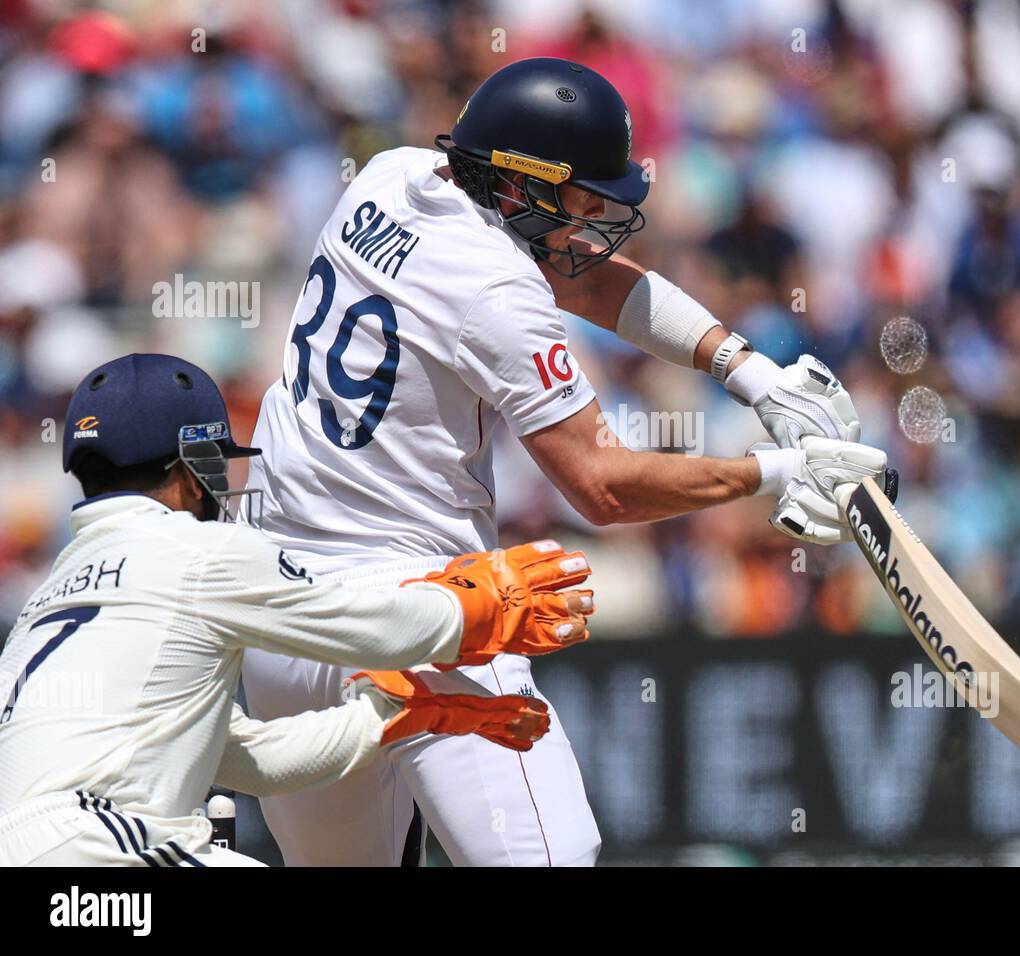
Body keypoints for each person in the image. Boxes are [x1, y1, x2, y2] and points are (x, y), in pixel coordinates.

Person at [243, 57, 893, 866]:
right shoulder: (496, 293)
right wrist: (770, 474)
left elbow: (578, 280)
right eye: (580, 198)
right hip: (420, 616)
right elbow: (601, 486)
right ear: (517, 183)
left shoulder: (390, 176)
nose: (590, 222)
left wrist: (749, 371)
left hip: (276, 613)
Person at [0, 353, 593, 866]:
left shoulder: (47, 599)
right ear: (189, 466)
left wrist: (392, 717)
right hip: (102, 844)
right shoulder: (197, 552)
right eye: (214, 459)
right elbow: (363, 628)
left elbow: (247, 760)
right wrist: (474, 609)